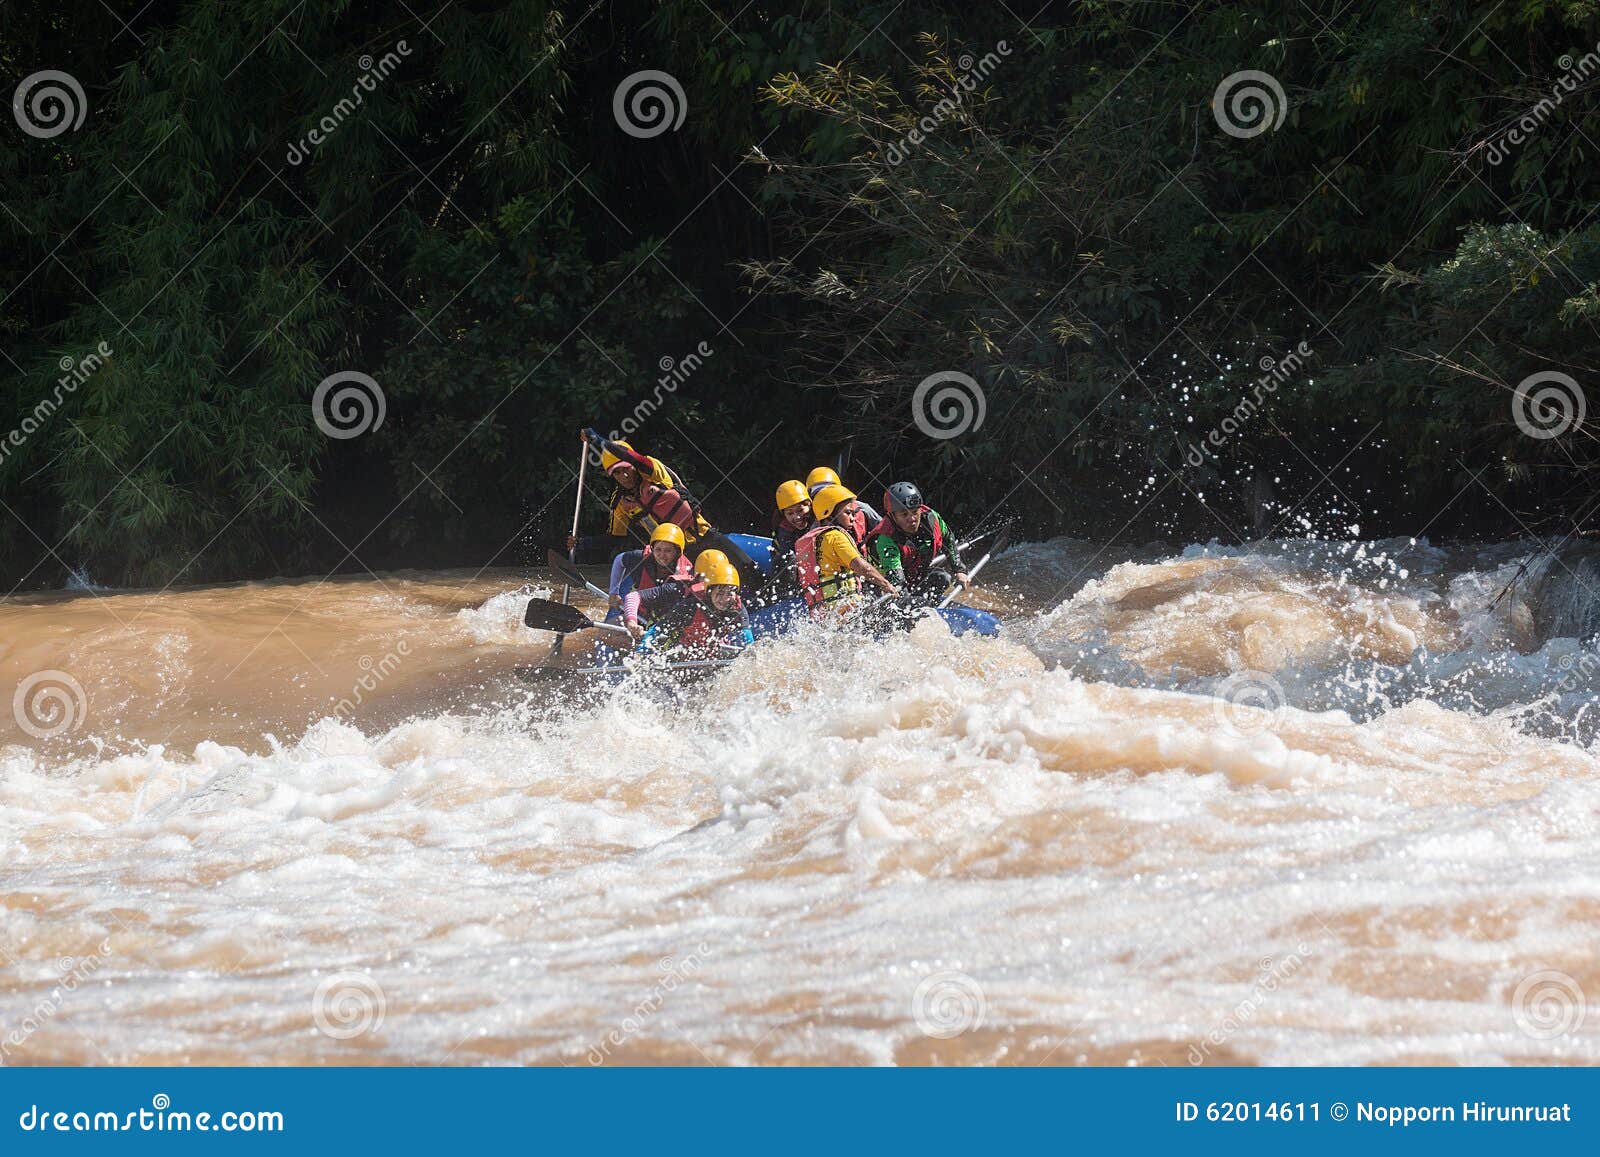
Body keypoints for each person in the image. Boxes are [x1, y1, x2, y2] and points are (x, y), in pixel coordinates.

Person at [567, 428, 762, 587]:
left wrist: (598, 440)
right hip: (675, 555)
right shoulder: (620, 503)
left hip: (705, 535)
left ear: (633, 466)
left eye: (626, 469)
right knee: (697, 593)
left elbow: (634, 458)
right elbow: (615, 538)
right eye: (617, 473)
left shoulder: (654, 473)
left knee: (748, 567)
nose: (623, 475)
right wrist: (583, 543)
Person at [623, 549, 754, 655]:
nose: (724, 597)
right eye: (708, 577)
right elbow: (658, 629)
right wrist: (632, 623)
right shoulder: (682, 593)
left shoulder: (734, 605)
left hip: (702, 643)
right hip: (671, 635)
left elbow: (747, 637)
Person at [793, 484, 897, 613]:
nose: (853, 518)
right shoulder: (836, 536)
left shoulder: (818, 539)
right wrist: (887, 585)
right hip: (850, 610)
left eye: (854, 513)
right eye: (847, 513)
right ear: (828, 513)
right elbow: (861, 567)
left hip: (830, 615)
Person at [867, 481, 970, 599]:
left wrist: (959, 570)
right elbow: (897, 583)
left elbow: (948, 540)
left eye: (915, 512)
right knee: (902, 599)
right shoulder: (885, 539)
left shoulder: (932, 519)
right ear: (892, 516)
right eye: (904, 514)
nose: (912, 519)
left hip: (913, 574)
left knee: (943, 578)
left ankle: (928, 603)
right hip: (885, 584)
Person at [604, 522, 694, 623]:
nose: (662, 555)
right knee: (611, 625)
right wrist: (613, 593)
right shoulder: (640, 558)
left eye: (668, 551)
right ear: (652, 549)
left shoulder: (684, 576)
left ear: (677, 552)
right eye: (658, 549)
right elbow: (619, 560)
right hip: (637, 593)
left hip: (658, 602)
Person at [769, 479, 814, 598]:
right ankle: (790, 596)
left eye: (800, 510)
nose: (797, 517)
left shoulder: (818, 517)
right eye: (790, 513)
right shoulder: (784, 530)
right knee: (790, 558)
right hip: (787, 565)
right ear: (784, 515)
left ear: (809, 505)